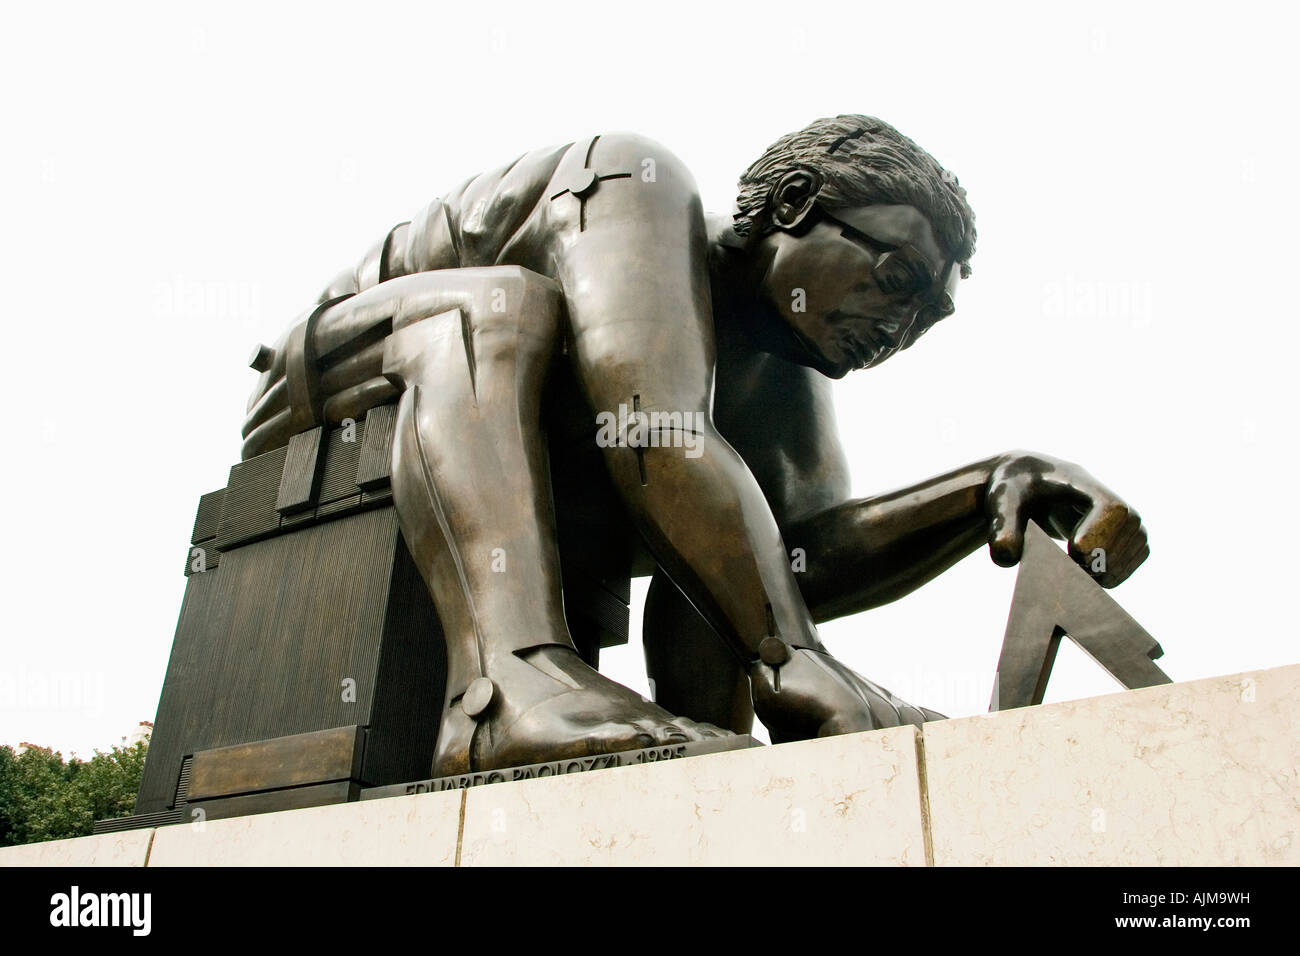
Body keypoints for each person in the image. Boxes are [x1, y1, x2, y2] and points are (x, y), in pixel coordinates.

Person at [241, 115, 1149, 775]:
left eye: (926, 316)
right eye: (895, 278)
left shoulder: (783, 367)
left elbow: (794, 558)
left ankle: (680, 734)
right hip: (329, 381)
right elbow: (653, 431)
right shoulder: (635, 184)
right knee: (500, 309)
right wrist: (795, 663)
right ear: (793, 203)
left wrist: (985, 488)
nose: (899, 328)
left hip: (524, 451)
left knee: (731, 537)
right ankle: (502, 693)